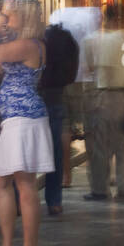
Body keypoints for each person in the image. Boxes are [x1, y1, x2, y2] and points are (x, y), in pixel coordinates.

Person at [0, 0, 53, 246]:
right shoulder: (28, 44)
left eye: (9, 15)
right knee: (1, 179)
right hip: (17, 119)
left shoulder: (27, 45)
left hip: (23, 119)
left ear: (24, 17)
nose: (5, 19)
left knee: (24, 184)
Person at [81, 4, 124, 202]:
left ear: (107, 19)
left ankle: (100, 189)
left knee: (100, 147)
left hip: (107, 97)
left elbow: (99, 69)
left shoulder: (104, 41)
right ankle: (123, 187)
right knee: (121, 146)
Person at [41, 14, 80, 214]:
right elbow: (72, 71)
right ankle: (54, 200)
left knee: (28, 153)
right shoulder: (66, 39)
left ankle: (21, 198)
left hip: (36, 97)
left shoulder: (39, 40)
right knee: (55, 150)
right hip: (56, 96)